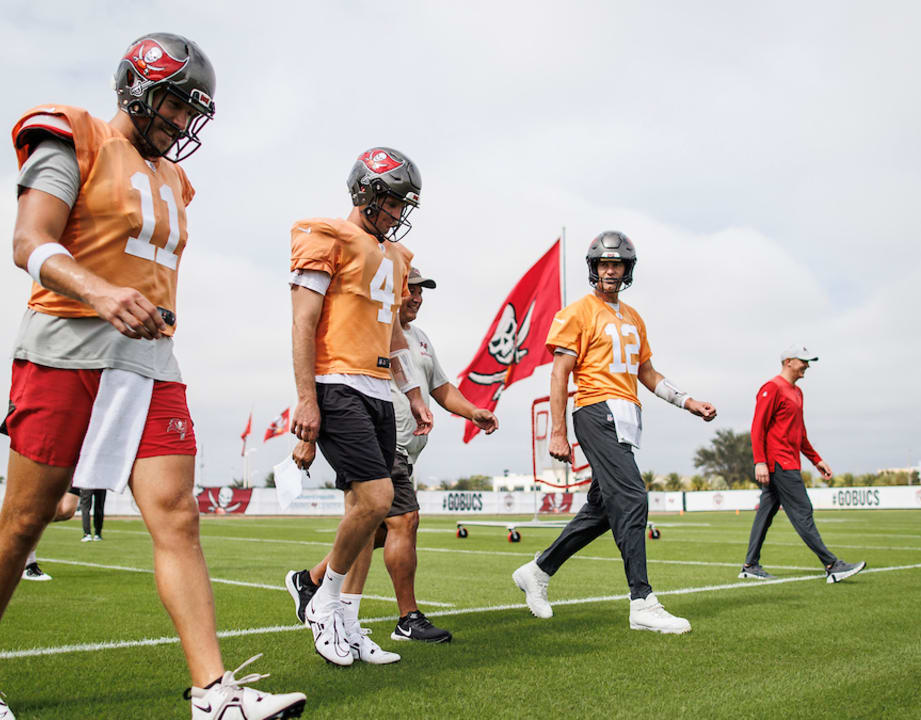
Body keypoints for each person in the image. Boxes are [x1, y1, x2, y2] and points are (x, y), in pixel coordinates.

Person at [0, 33, 305, 720]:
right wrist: (99, 292)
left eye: (191, 113)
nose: (181, 123)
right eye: (174, 105)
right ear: (137, 86)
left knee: (177, 516)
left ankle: (213, 694)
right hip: (66, 349)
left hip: (148, 359)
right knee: (23, 522)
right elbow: (29, 241)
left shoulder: (175, 178)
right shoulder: (74, 136)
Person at [512, 231, 717, 634]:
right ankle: (642, 600)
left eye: (618, 264)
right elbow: (559, 374)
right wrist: (557, 432)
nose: (611, 270)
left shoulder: (634, 317)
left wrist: (687, 401)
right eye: (605, 263)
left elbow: (647, 374)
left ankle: (538, 570)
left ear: (627, 270)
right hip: (594, 410)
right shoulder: (578, 312)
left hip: (625, 417)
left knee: (604, 509)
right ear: (594, 268)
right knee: (632, 496)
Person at [286, 268, 498, 645]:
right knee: (405, 521)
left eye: (420, 292)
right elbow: (332, 377)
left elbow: (442, 388)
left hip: (403, 449)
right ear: (389, 293)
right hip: (382, 444)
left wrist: (472, 411)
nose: (416, 297)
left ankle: (312, 580)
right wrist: (310, 435)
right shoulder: (368, 330)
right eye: (409, 290)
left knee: (375, 529)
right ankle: (407, 618)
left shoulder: (420, 340)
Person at [287, 147, 434, 667]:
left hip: (376, 388)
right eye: (393, 202)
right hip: (336, 380)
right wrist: (307, 398)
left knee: (366, 515)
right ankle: (323, 603)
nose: (398, 213)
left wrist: (414, 394)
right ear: (367, 192)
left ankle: (348, 619)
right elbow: (303, 321)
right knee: (377, 498)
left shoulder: (396, 257)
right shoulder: (326, 235)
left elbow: (392, 331)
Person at [738, 345, 866, 584]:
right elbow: (758, 427)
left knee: (765, 514)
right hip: (779, 464)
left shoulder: (797, 393)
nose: (807, 365)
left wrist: (816, 459)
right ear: (788, 361)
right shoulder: (772, 388)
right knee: (802, 512)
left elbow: (800, 434)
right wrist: (760, 462)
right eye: (803, 361)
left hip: (790, 461)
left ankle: (750, 565)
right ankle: (832, 565)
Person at [21, 490, 81, 582]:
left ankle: (22, 522)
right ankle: (28, 564)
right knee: (42, 511)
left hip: (74, 475)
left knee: (66, 511)